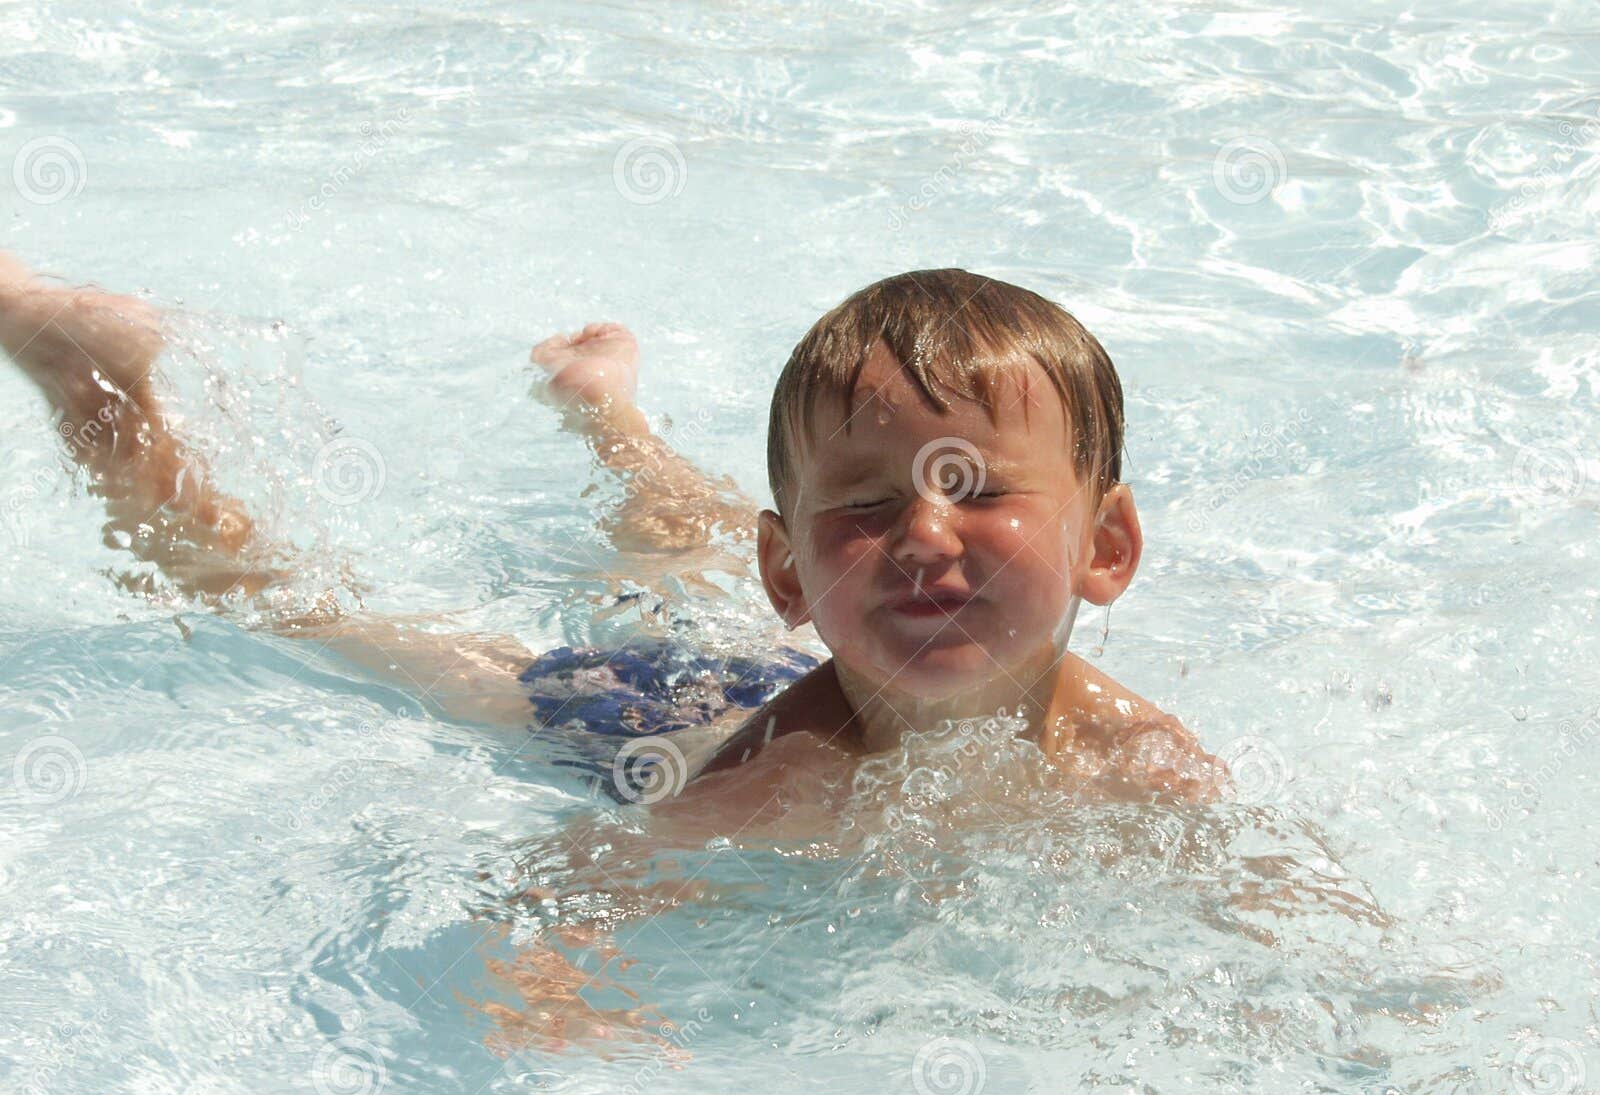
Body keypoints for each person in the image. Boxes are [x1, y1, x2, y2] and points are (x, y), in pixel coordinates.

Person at [0, 255, 1220, 819]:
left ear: (1105, 549)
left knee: (682, 553)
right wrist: (554, 982)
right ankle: (95, 386)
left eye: (977, 488)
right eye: (865, 510)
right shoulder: (774, 779)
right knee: (291, 609)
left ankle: (610, 416)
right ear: (791, 577)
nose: (920, 536)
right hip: (632, 717)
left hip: (751, 660)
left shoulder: (1141, 757)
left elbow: (1279, 906)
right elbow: (582, 895)